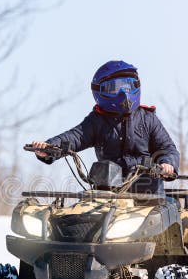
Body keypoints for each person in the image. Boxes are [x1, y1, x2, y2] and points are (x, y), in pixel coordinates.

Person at [30, 60, 180, 194]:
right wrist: (48, 148)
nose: (123, 93)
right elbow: (74, 137)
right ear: (99, 90)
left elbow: (167, 148)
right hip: (107, 196)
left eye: (127, 86)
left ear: (136, 85)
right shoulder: (97, 120)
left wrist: (167, 164)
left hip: (148, 197)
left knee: (158, 219)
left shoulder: (147, 118)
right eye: (114, 88)